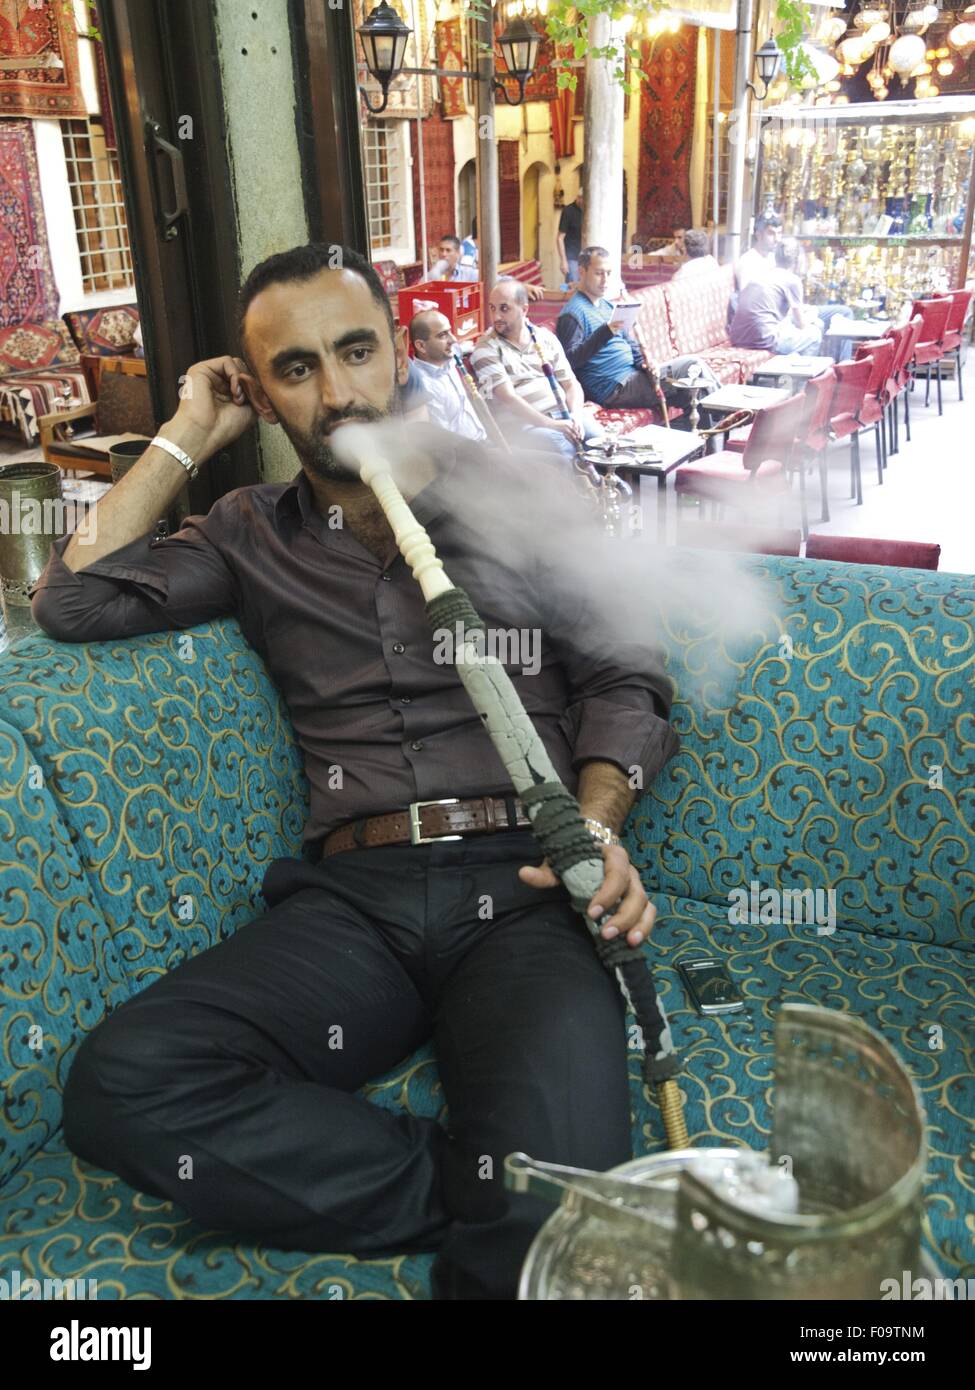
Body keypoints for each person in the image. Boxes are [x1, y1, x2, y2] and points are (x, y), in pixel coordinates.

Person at [31, 242, 679, 1302]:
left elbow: (628, 676)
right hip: (355, 903)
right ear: (262, 393)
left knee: (553, 1206)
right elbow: (72, 600)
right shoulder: (249, 532)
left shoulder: (518, 496)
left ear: (398, 350)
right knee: (121, 1082)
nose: (336, 392)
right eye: (294, 370)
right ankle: (481, 1184)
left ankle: (525, 1195)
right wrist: (190, 430)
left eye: (355, 350)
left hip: (524, 885)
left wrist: (598, 827)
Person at [555, 246, 718, 413]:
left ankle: (717, 428)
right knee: (691, 366)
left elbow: (631, 344)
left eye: (608, 273)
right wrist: (605, 332)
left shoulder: (608, 306)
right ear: (582, 271)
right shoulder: (572, 314)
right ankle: (729, 412)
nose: (605, 280)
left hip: (633, 377)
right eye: (599, 273)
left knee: (692, 393)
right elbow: (569, 362)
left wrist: (645, 364)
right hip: (614, 387)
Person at [470, 276, 604, 461]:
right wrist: (552, 424)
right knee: (564, 449)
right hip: (524, 426)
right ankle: (582, 489)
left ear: (524, 309)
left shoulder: (544, 337)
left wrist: (575, 417)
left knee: (601, 442)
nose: (496, 317)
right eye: (492, 308)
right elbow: (508, 398)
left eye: (504, 308)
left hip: (563, 415)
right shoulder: (485, 347)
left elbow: (571, 384)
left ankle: (604, 489)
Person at [729, 238, 824, 357]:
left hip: (737, 338)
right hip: (764, 340)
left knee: (795, 329)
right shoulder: (792, 280)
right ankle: (802, 372)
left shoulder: (762, 274)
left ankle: (791, 361)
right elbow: (801, 324)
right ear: (797, 260)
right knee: (815, 334)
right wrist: (811, 319)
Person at [409, 309, 486, 441]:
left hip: (483, 439)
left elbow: (460, 347)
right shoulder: (424, 386)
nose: (453, 340)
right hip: (469, 455)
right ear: (421, 346)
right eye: (443, 335)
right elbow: (447, 442)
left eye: (450, 331)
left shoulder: (448, 357)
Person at [735, 213, 782, 292]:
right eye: (771, 233)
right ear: (758, 235)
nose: (777, 239)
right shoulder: (747, 262)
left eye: (779, 233)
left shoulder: (772, 257)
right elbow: (747, 298)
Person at [557, 180, 584, 287]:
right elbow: (560, 238)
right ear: (579, 197)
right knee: (572, 288)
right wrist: (563, 261)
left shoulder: (589, 210)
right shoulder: (568, 211)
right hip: (572, 258)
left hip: (586, 258)